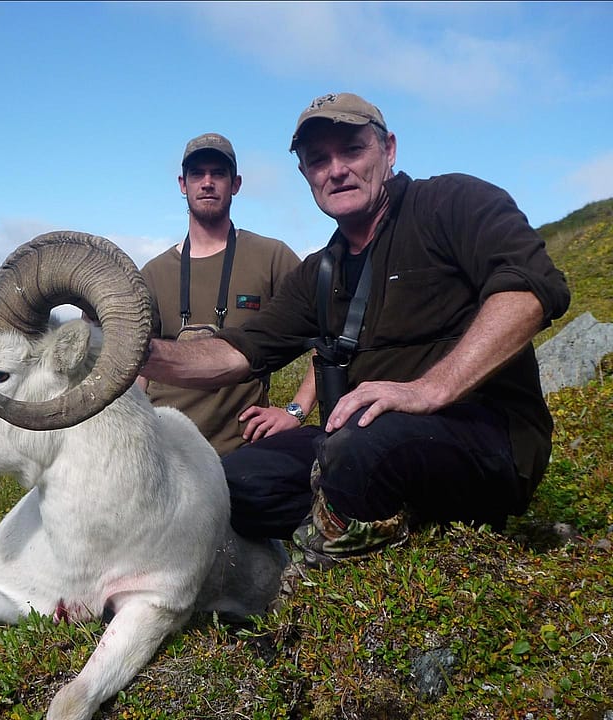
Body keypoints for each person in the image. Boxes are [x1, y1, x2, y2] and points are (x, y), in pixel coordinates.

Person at [139, 93, 570, 569]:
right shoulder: (320, 272)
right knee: (232, 482)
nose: (336, 169)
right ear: (306, 175)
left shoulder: (454, 203)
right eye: (318, 160)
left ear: (388, 149)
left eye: (352, 150)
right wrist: (131, 351)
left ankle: (316, 581)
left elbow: (531, 290)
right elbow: (237, 353)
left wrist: (432, 389)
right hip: (358, 442)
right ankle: (393, 521)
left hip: (487, 439)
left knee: (363, 446)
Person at [139, 132, 316, 457]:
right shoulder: (152, 273)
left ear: (235, 184)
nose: (207, 182)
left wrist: (296, 411)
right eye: (197, 174)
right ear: (183, 184)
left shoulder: (272, 257)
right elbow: (135, 369)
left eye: (218, 173)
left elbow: (330, 330)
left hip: (243, 454)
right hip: (164, 454)